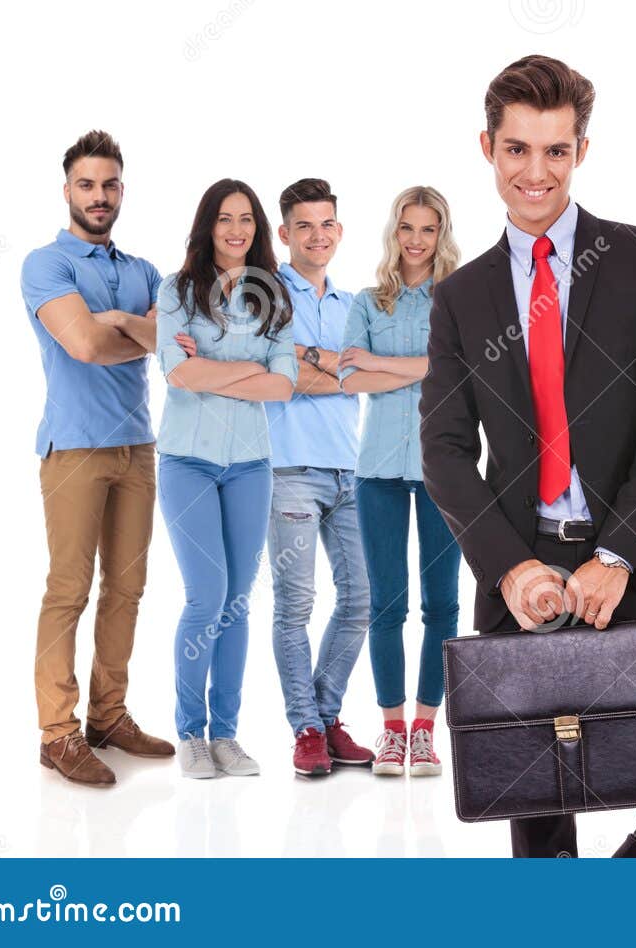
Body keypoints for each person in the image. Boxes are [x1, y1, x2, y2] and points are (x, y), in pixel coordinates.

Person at [420, 55, 636, 857]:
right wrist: (510, 568)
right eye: (518, 149)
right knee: (540, 822)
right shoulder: (460, 298)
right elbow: (445, 449)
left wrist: (618, 552)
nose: (536, 172)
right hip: (526, 570)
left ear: (581, 151)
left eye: (556, 150)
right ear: (488, 147)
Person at [21, 129, 173, 786]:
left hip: (138, 447)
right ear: (68, 192)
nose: (100, 195)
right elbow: (82, 344)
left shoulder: (143, 271)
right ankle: (58, 732)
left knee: (128, 589)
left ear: (122, 190)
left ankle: (108, 717)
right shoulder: (44, 264)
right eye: (87, 184)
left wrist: (123, 324)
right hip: (75, 449)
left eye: (110, 184)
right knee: (69, 590)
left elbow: (178, 344)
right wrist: (124, 328)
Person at [156, 178, 298, 779]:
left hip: (250, 465)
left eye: (245, 219)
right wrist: (248, 368)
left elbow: (285, 385)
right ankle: (190, 734)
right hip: (186, 461)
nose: (235, 229)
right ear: (207, 227)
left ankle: (226, 735)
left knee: (237, 602)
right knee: (206, 596)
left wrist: (211, 366)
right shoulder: (176, 291)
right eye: (224, 219)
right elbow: (175, 375)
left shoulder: (275, 298)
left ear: (258, 229)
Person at [339, 186, 463, 779]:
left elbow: (459, 372)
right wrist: (420, 369)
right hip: (378, 473)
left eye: (428, 229)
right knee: (386, 605)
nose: (416, 240)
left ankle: (424, 730)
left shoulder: (458, 299)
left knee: (441, 603)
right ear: (395, 232)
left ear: (442, 234)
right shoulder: (368, 300)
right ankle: (391, 732)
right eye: (407, 228)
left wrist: (379, 363)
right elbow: (346, 378)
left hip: (447, 471)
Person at [266, 178, 374, 777]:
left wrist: (317, 359)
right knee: (297, 603)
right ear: (284, 234)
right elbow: (282, 377)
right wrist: (340, 368)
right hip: (290, 471)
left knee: (363, 598)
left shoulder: (356, 304)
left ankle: (327, 716)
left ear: (339, 230)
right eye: (304, 225)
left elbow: (373, 373)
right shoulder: (265, 298)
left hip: (352, 471)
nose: (317, 235)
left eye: (327, 223)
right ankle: (305, 728)